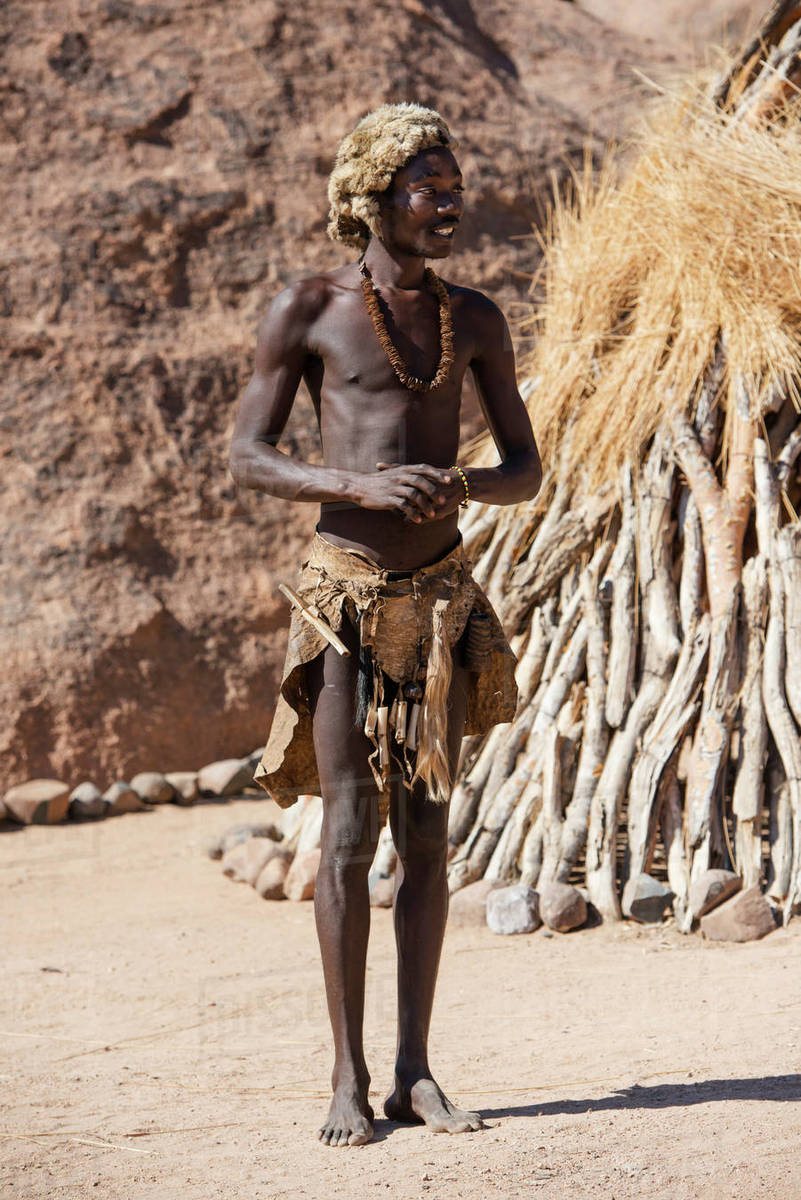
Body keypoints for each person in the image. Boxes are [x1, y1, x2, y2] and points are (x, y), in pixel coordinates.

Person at [229, 102, 541, 1147]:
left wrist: (460, 484)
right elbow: (249, 455)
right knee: (351, 833)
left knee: (428, 837)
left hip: (440, 599)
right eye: (429, 187)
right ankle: (347, 1077)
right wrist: (357, 484)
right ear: (374, 195)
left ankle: (415, 1072)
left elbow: (524, 468)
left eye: (456, 186)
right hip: (347, 597)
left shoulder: (478, 319)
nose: (451, 202)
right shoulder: (309, 307)